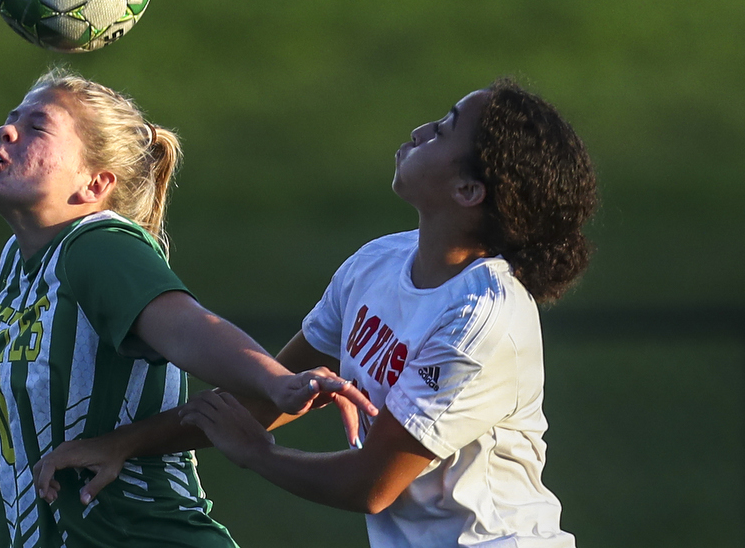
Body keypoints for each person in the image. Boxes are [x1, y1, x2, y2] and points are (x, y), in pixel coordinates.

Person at [36, 78, 597, 548]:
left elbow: (370, 484)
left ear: (470, 190)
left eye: (445, 129)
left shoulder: (483, 318)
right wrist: (122, 445)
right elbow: (269, 396)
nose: (422, 131)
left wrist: (260, 455)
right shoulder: (378, 264)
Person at [0, 66, 374, 548]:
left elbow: (184, 325)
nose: (6, 129)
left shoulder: (97, 245)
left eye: (38, 126)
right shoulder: (18, 261)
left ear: (95, 185)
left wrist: (276, 381)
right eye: (11, 118)